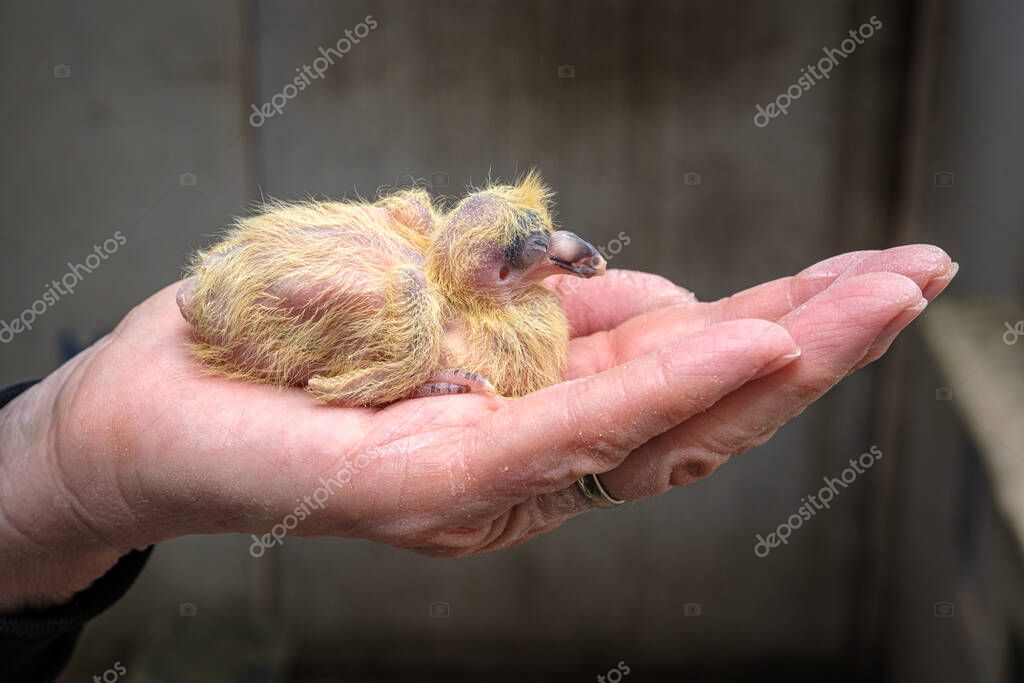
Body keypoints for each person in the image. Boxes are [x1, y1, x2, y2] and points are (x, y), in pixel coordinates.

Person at [0, 245, 956, 680]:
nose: (559, 265)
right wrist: (56, 464)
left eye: (548, 253)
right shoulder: (420, 313)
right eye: (523, 260)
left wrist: (45, 464)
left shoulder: (476, 292)